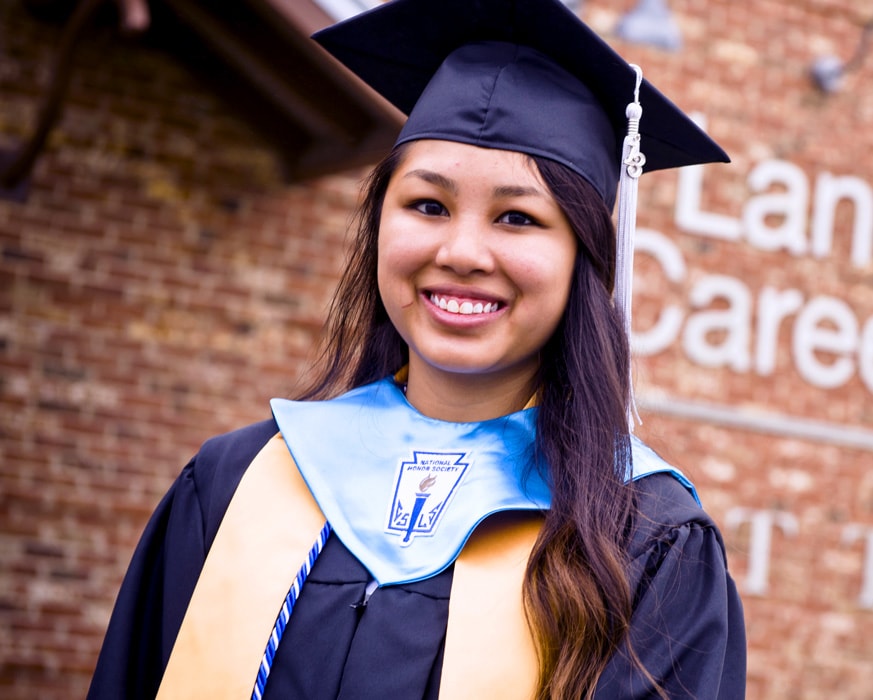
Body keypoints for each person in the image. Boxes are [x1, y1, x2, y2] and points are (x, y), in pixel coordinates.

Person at [87, 0, 746, 698]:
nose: (460, 252)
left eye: (517, 217)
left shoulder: (645, 542)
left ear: (583, 260)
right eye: (428, 206)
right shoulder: (236, 482)